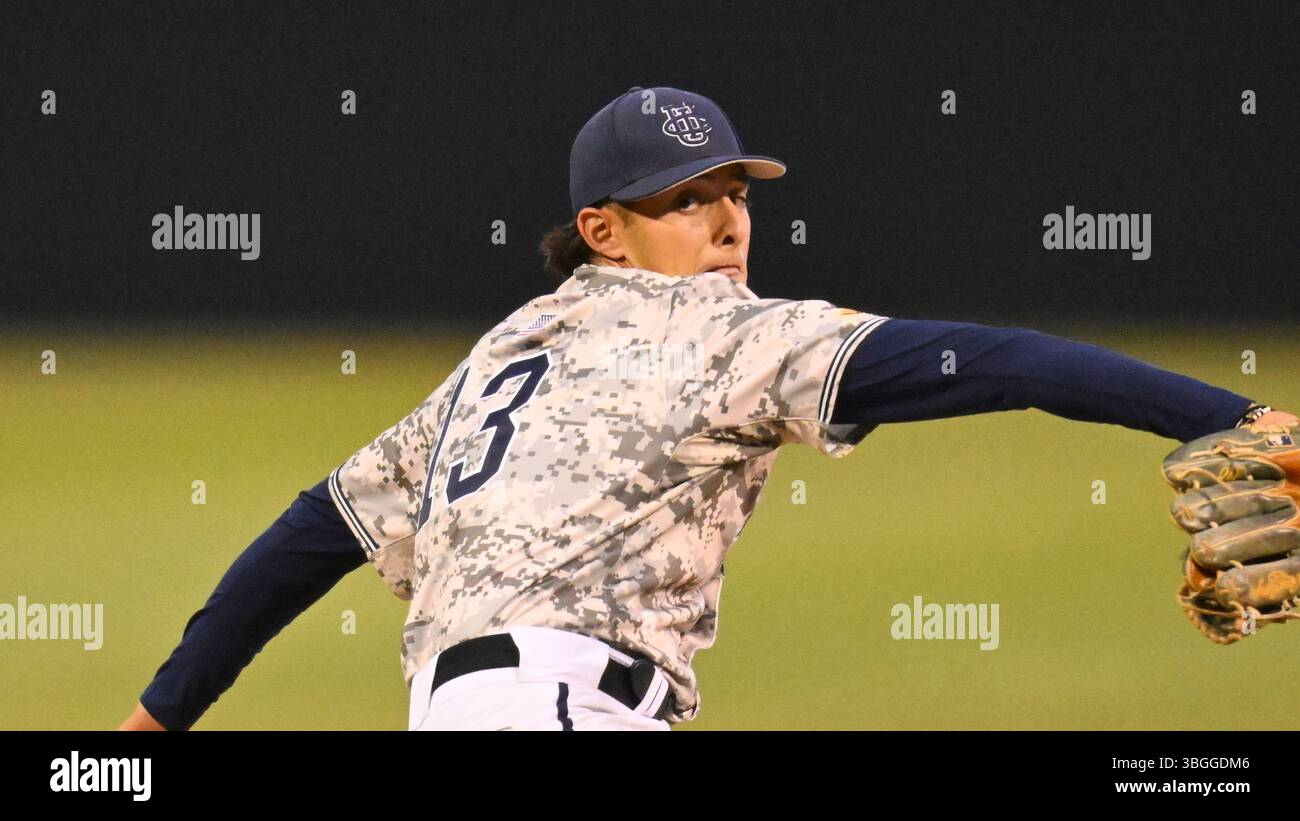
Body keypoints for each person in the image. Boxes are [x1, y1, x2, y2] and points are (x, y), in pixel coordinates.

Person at [120, 85, 1297, 731]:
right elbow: (993, 360)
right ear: (602, 227)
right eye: (685, 200)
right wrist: (1231, 412)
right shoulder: (728, 332)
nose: (729, 221)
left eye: (734, 191)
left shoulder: (499, 355)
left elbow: (309, 534)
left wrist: (150, 726)